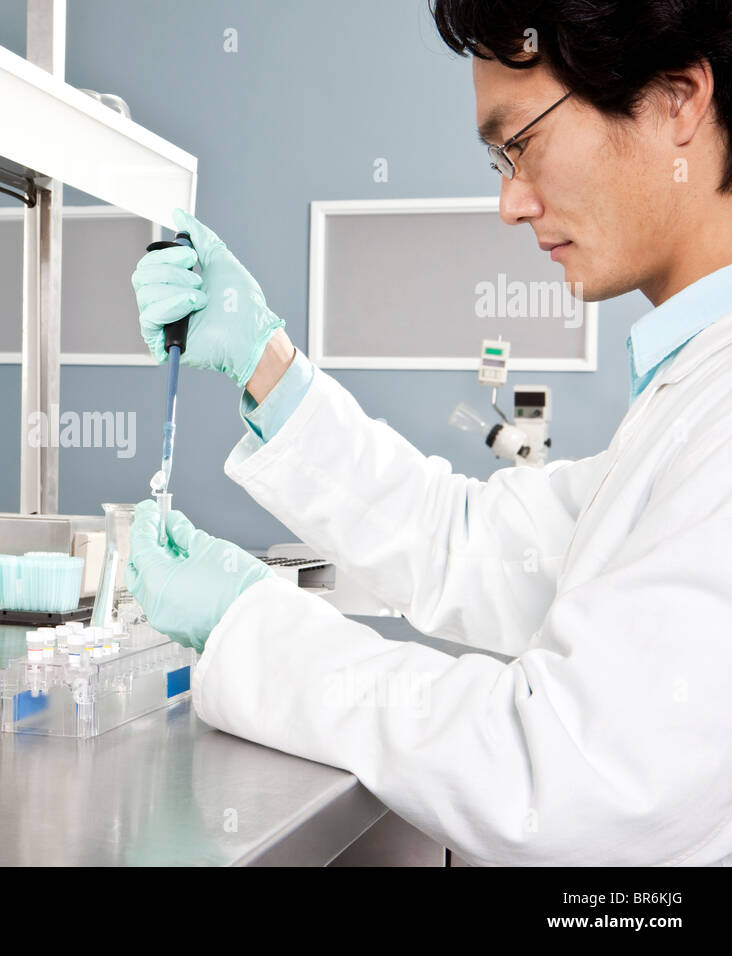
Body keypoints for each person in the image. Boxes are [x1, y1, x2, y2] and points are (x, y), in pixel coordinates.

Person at [126, 0, 732, 866]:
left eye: (520, 143)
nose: (510, 202)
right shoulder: (692, 393)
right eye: (498, 160)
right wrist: (268, 364)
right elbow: (478, 546)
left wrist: (253, 628)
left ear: (679, 99)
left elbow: (566, 781)